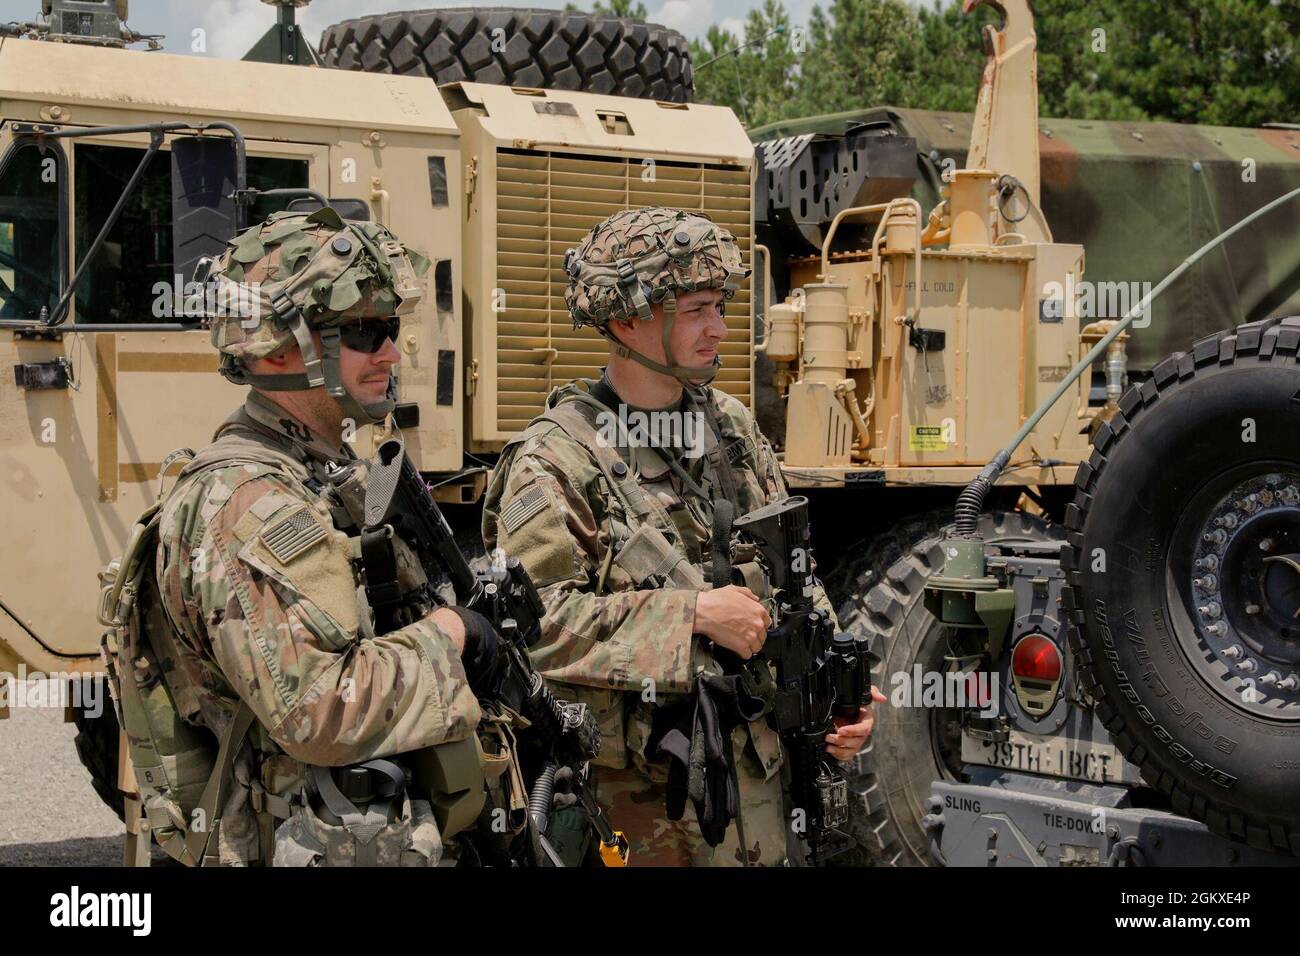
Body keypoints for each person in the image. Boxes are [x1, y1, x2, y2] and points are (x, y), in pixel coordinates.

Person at [483, 206, 884, 866]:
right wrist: (692, 615)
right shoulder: (556, 459)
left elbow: (796, 572)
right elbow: (532, 631)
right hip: (640, 807)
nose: (719, 329)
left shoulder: (729, 429)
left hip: (757, 793)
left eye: (718, 306)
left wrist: (836, 691)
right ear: (628, 317)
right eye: (696, 309)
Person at [145, 208, 494, 865]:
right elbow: (322, 710)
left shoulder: (320, 477)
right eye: (366, 331)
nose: (392, 352)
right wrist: (454, 635)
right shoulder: (253, 504)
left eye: (391, 329)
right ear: (279, 349)